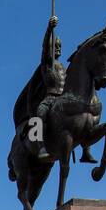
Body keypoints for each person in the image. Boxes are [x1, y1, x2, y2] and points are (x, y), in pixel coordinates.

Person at [32, 16, 66, 161]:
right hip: (49, 98)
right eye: (55, 46)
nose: (57, 48)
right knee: (39, 115)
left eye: (59, 46)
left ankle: (86, 149)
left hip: (63, 99)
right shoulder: (47, 63)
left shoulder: (63, 67)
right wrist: (49, 29)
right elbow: (45, 46)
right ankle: (40, 146)